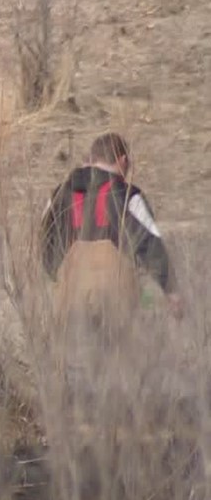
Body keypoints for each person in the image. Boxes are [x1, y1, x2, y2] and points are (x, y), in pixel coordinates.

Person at [39, 131, 183, 348]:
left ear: (91, 159)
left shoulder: (58, 195)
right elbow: (150, 244)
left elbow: (44, 241)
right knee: (117, 365)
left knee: (74, 361)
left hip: (70, 294)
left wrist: (55, 278)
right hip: (114, 294)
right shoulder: (128, 195)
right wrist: (171, 291)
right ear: (123, 161)